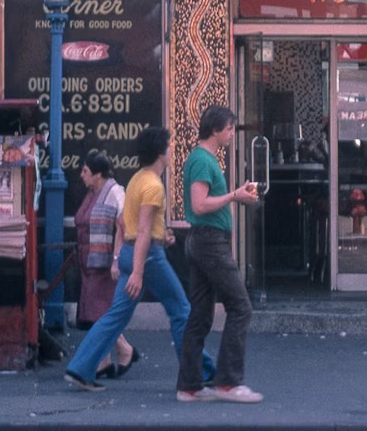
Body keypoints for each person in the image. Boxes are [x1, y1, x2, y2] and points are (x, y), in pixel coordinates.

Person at [63, 129, 215, 393]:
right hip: (148, 257)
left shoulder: (136, 180)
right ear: (160, 152)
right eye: (169, 146)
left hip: (130, 253)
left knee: (115, 316)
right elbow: (143, 230)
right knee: (181, 311)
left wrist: (159, 235)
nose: (171, 150)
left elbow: (129, 224)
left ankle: (80, 368)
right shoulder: (154, 186)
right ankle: (199, 372)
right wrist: (138, 270)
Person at [177, 105, 262, 405]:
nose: (230, 133)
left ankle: (189, 386)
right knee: (240, 307)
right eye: (228, 128)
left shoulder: (201, 158)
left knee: (200, 315)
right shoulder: (202, 160)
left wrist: (234, 196)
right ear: (215, 129)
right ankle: (228, 382)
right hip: (210, 243)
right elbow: (199, 205)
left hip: (202, 241)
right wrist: (234, 196)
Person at [72, 150, 132, 377]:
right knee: (98, 312)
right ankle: (110, 357)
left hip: (105, 263)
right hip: (87, 262)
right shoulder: (91, 194)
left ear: (98, 174)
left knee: (101, 312)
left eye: (85, 171)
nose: (81, 175)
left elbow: (125, 228)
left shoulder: (115, 193)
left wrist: (116, 260)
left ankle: (110, 356)